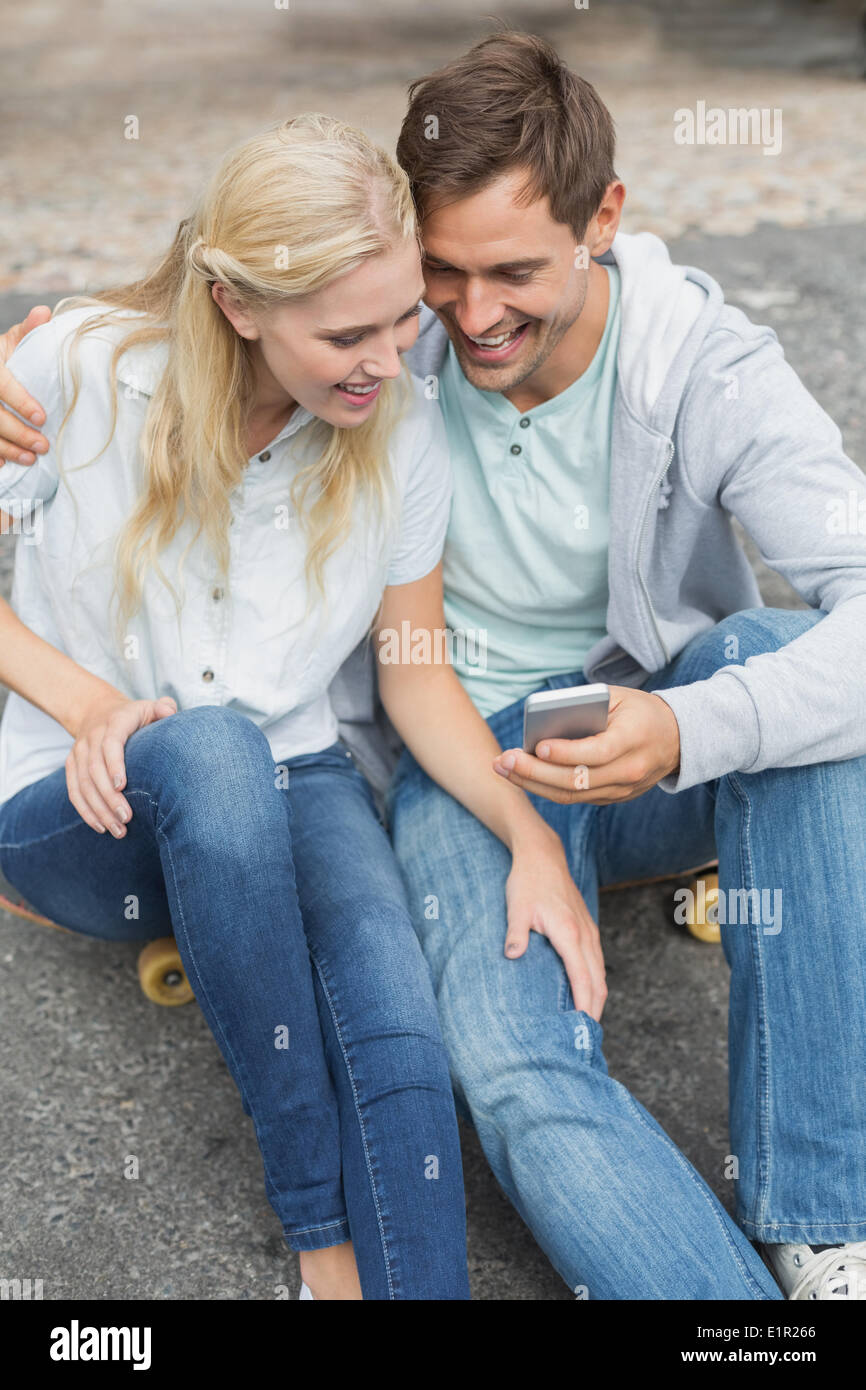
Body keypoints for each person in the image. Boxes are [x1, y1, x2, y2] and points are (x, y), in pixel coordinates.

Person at [0, 111, 595, 1301]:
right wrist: (92, 707)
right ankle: (320, 1238)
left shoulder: (400, 432)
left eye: (398, 318)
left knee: (395, 1028)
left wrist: (530, 833)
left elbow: (413, 669)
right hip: (78, 798)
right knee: (210, 752)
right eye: (345, 334)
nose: (388, 357)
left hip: (294, 773)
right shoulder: (84, 368)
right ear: (237, 305)